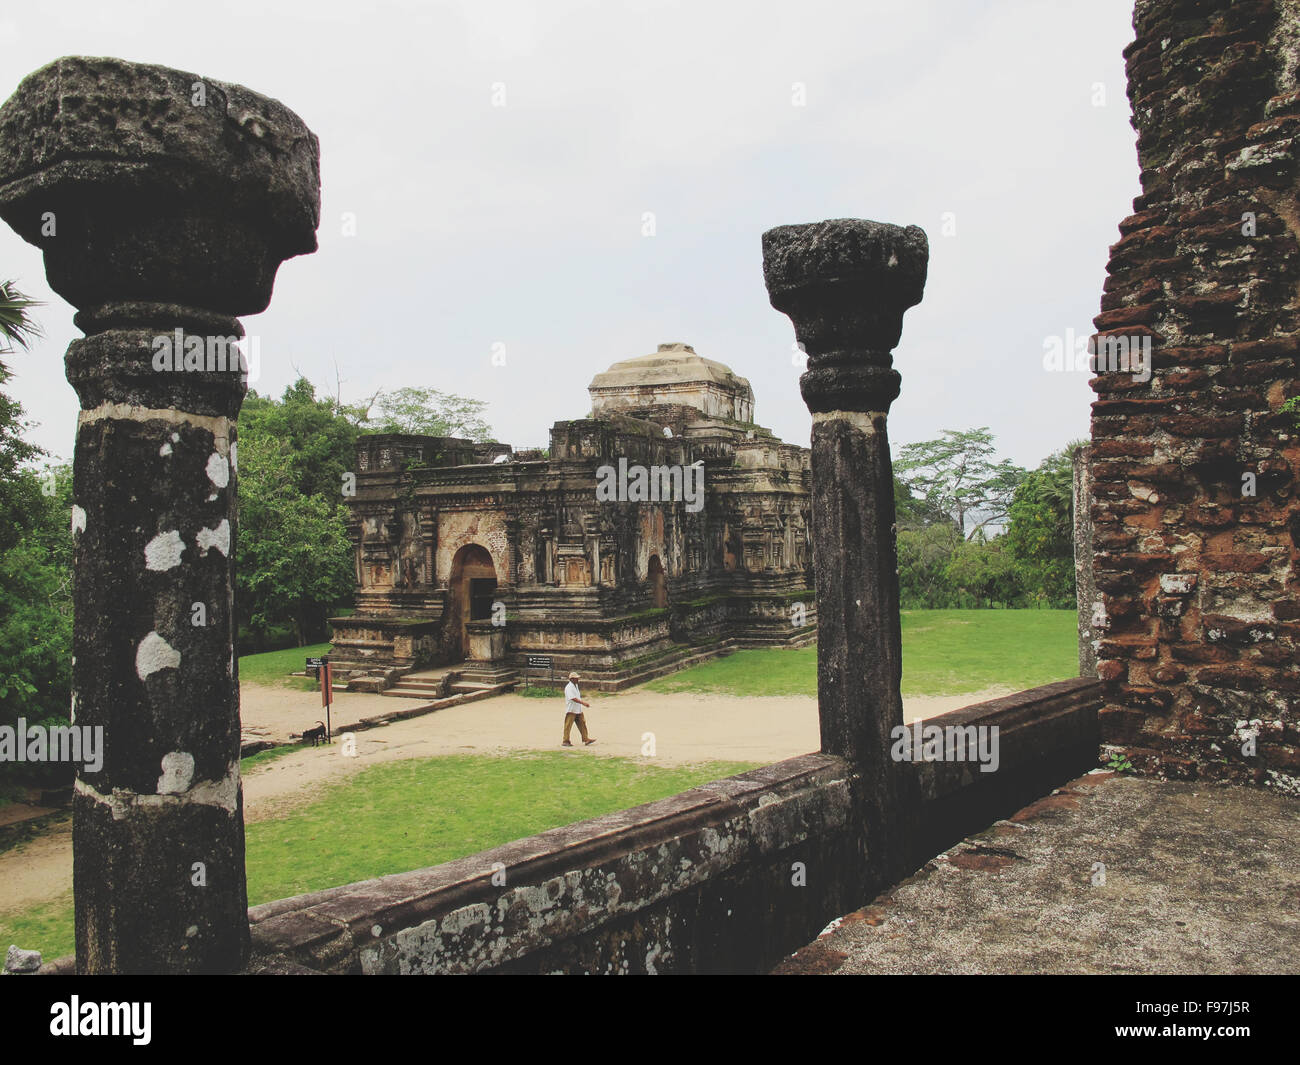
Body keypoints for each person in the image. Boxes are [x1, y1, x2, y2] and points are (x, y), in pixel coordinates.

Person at [562, 671, 595, 746]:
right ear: (572, 679)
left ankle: (586, 738)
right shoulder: (569, 687)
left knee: (582, 723)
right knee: (568, 725)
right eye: (576, 678)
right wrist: (583, 703)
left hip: (577, 709)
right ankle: (565, 740)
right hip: (571, 709)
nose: (578, 680)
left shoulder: (575, 686)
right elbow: (573, 698)